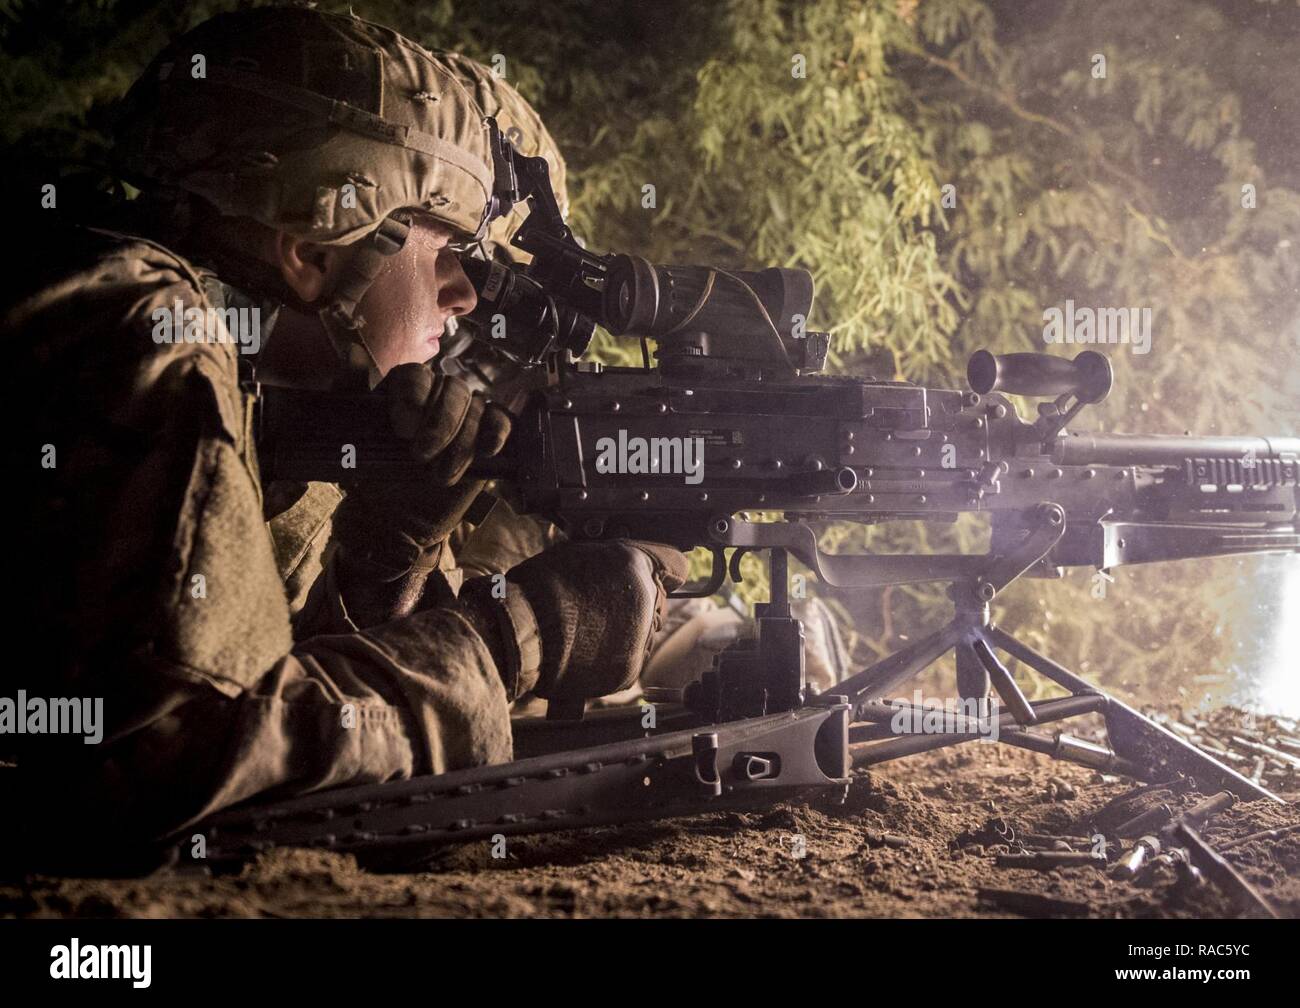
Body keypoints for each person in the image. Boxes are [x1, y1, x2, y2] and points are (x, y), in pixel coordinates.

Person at [4, 5, 686, 873]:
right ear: (314, 247)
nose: (465, 296)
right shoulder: (141, 331)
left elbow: (273, 679)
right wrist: (516, 636)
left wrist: (386, 558)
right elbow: (183, 760)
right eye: (447, 250)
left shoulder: (249, 383)